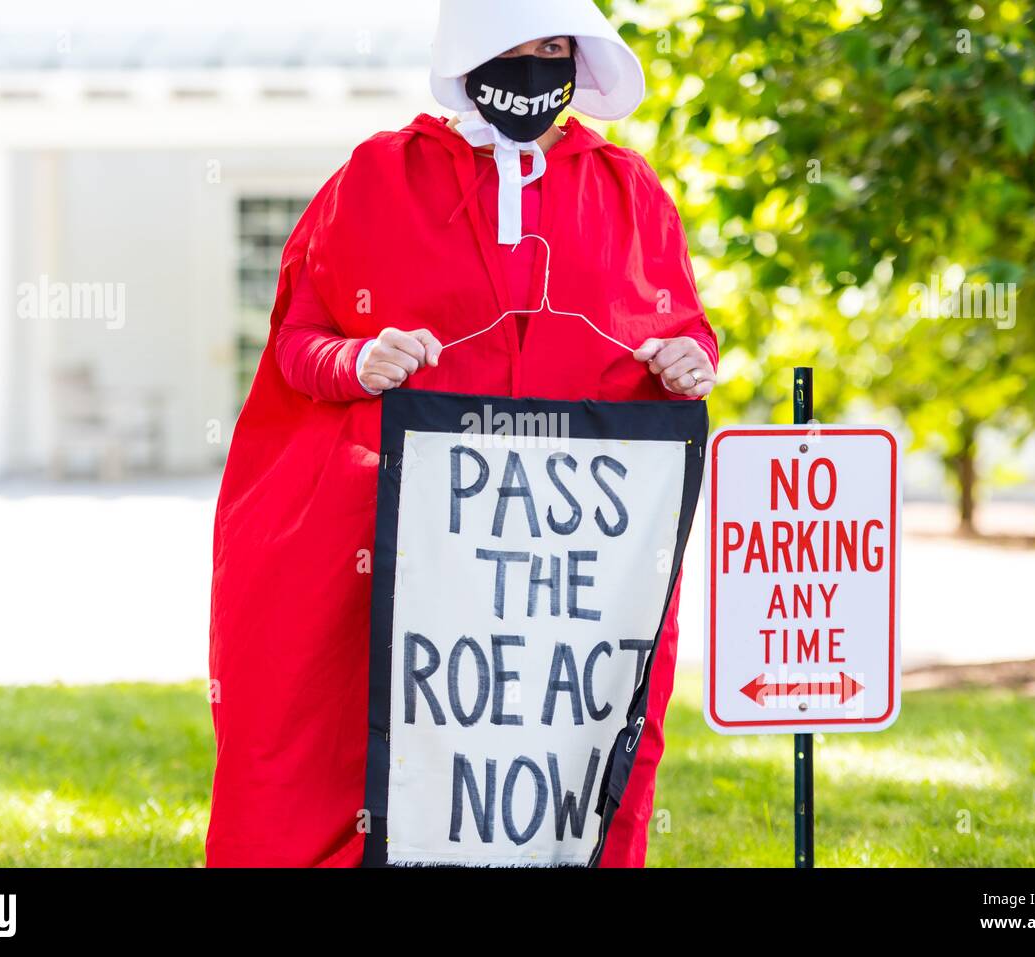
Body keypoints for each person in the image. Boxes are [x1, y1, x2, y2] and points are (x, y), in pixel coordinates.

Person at [207, 0, 719, 868]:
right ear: (468, 54)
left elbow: (683, 329)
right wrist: (357, 360)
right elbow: (298, 344)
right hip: (400, 548)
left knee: (565, 747)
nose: (535, 66)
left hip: (563, 572)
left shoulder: (627, 190)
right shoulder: (375, 180)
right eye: (513, 47)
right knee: (370, 742)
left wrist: (685, 360)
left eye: (554, 47)